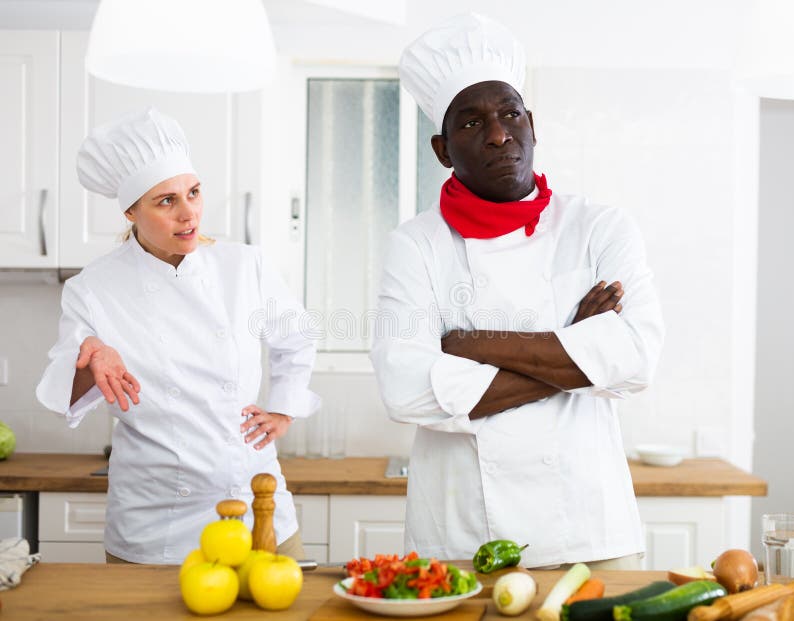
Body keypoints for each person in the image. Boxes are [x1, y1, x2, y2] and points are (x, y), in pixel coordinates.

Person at [370, 13, 664, 569]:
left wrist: (472, 344)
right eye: (472, 122)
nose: (498, 134)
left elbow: (635, 359)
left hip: (589, 528)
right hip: (464, 535)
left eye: (510, 114)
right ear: (442, 149)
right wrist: (577, 348)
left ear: (532, 123)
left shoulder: (599, 227)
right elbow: (404, 389)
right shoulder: (416, 245)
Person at [36, 108, 320, 564]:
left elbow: (297, 338)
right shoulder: (93, 289)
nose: (189, 214)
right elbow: (61, 394)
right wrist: (92, 359)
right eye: (166, 201)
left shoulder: (244, 266)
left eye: (194, 192)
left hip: (256, 508)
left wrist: (284, 408)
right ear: (131, 211)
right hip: (154, 521)